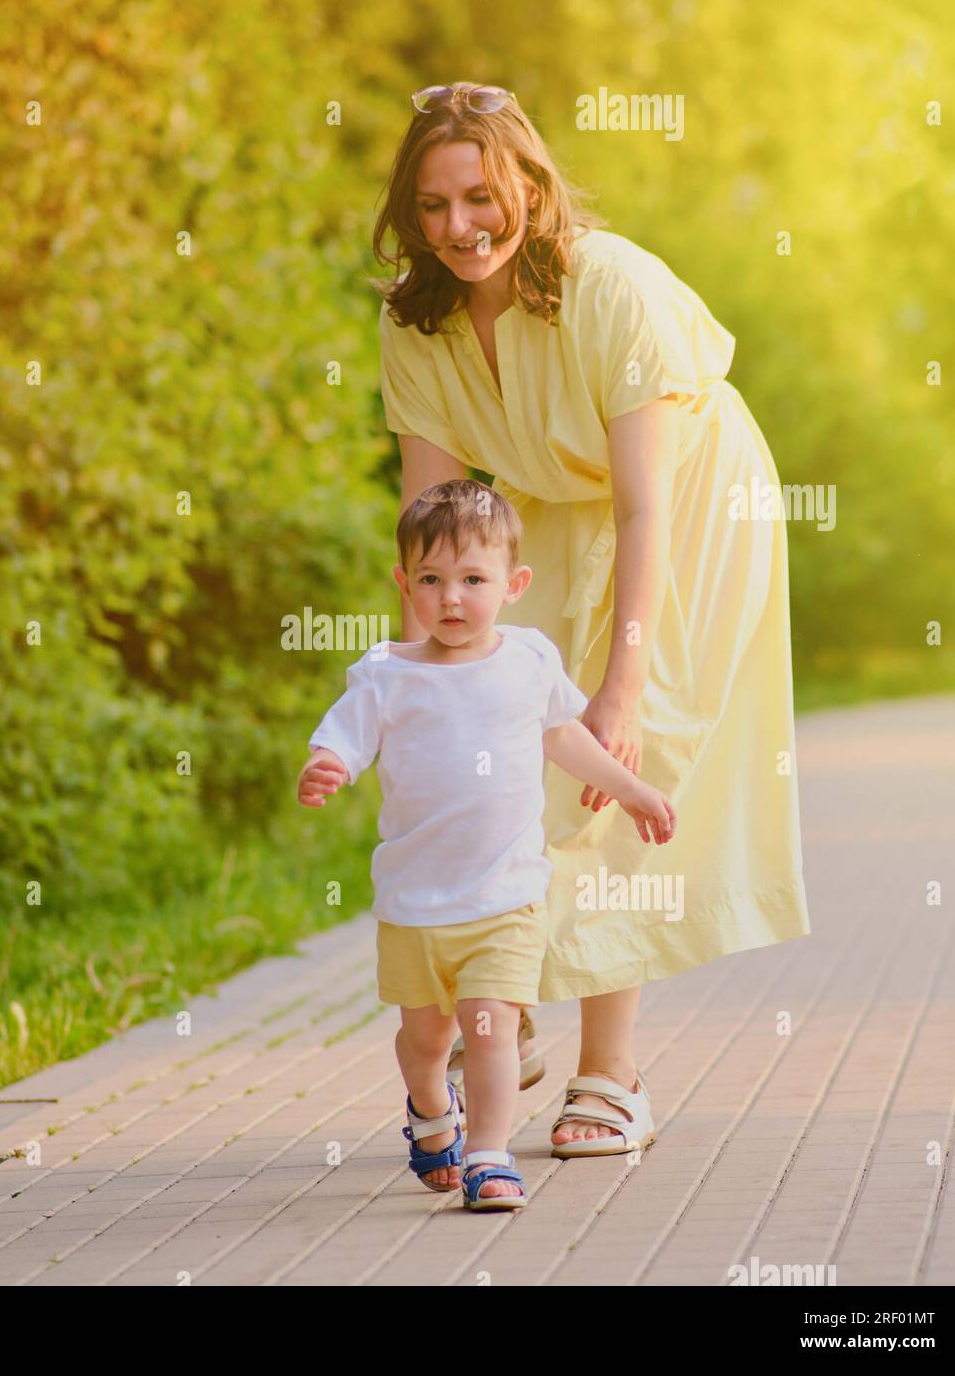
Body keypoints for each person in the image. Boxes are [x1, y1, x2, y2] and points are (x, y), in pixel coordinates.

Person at [371, 81, 811, 1157]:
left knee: (611, 748)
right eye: (432, 206)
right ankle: (502, 996)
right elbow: (435, 520)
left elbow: (644, 502)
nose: (459, 227)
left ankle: (608, 1077)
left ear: (528, 182)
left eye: (481, 196)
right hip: (549, 501)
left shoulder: (603, 284)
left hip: (689, 502)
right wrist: (432, 674)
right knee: (503, 736)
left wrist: (619, 683)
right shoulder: (411, 319)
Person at [297, 480, 676, 1209]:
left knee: (492, 1028)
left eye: (473, 580)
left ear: (512, 585)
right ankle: (431, 1108)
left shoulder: (528, 660)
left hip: (504, 897)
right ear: (405, 585)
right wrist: (329, 765)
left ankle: (489, 1156)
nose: (451, 598)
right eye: (432, 580)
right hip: (415, 904)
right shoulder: (385, 674)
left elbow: (564, 734)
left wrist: (630, 789)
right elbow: (342, 735)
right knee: (427, 1041)